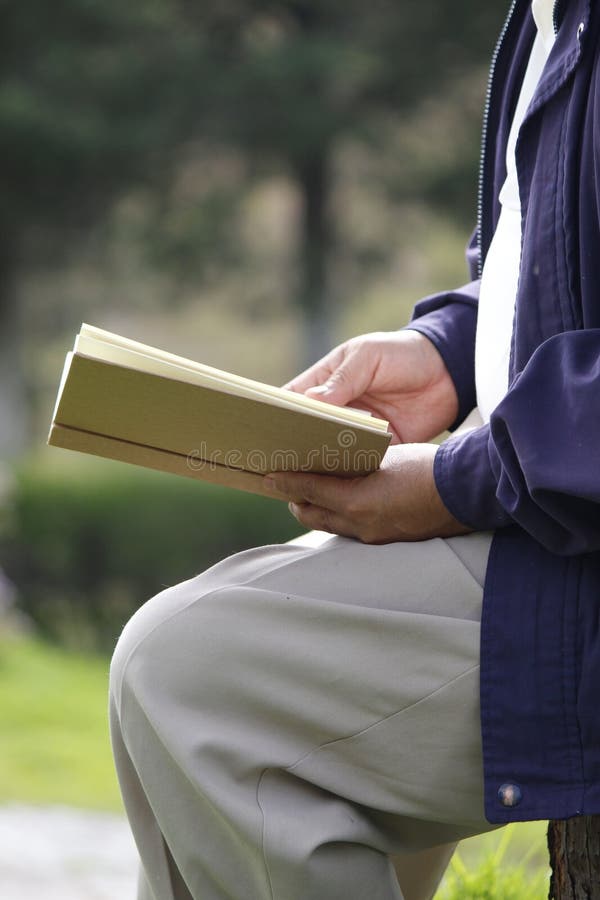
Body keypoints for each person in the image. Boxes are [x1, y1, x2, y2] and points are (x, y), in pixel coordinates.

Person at [108, 0, 600, 896]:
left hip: (571, 540)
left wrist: (458, 478)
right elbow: (548, 264)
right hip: (549, 512)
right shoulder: (547, 20)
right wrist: (450, 352)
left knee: (184, 674)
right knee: (180, 665)